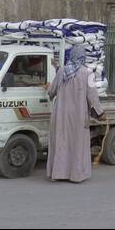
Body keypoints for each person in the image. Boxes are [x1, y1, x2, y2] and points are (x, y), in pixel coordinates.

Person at [44, 46, 104, 183]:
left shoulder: (62, 72)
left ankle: (58, 173)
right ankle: (76, 175)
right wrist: (100, 113)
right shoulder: (87, 73)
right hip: (78, 116)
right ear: (83, 58)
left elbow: (51, 92)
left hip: (60, 116)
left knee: (61, 143)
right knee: (77, 144)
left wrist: (49, 91)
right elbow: (93, 97)